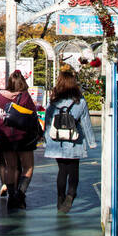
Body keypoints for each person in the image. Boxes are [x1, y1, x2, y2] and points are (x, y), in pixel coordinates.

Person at [42, 67, 97, 213]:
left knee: (62, 171)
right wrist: (91, 142)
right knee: (73, 170)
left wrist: (47, 140)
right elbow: (86, 123)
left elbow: (47, 122)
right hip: (74, 140)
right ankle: (70, 196)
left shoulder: (53, 101)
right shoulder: (80, 102)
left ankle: (60, 199)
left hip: (57, 140)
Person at [0, 70, 41, 211]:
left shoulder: (2, 98)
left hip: (6, 138)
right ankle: (21, 194)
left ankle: (11, 196)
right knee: (28, 166)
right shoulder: (25, 97)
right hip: (24, 138)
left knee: (10, 167)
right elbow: (33, 117)